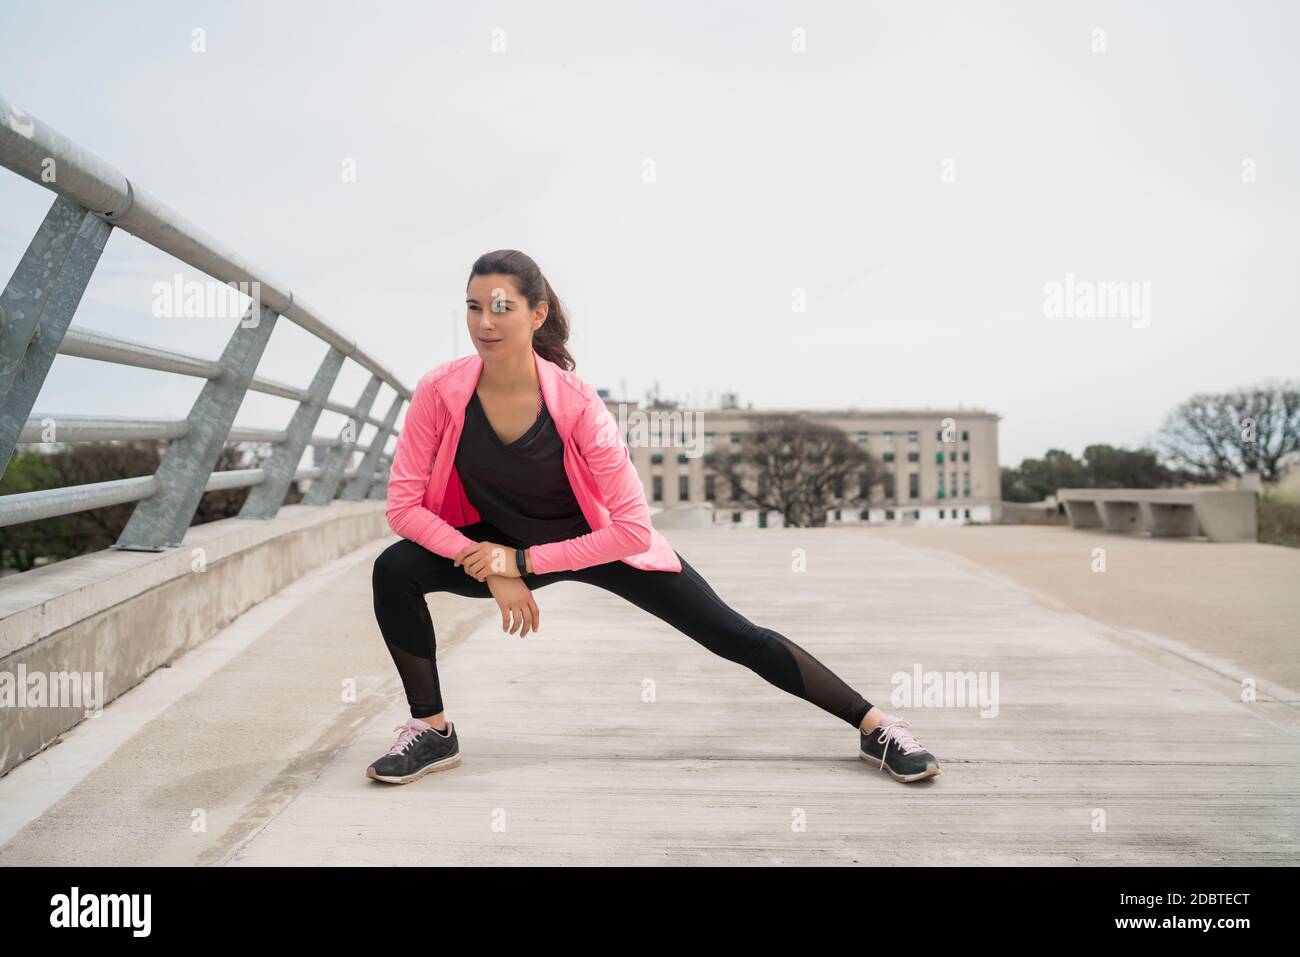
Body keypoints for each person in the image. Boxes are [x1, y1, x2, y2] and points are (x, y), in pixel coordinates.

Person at [368, 249, 940, 785]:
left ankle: (878, 728)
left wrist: (520, 560)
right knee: (395, 570)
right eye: (473, 307)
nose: (484, 322)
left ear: (536, 314)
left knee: (732, 634)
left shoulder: (578, 405)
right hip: (495, 544)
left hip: (597, 543)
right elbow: (404, 506)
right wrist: (492, 565)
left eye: (501, 308)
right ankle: (432, 730)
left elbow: (632, 528)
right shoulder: (441, 391)